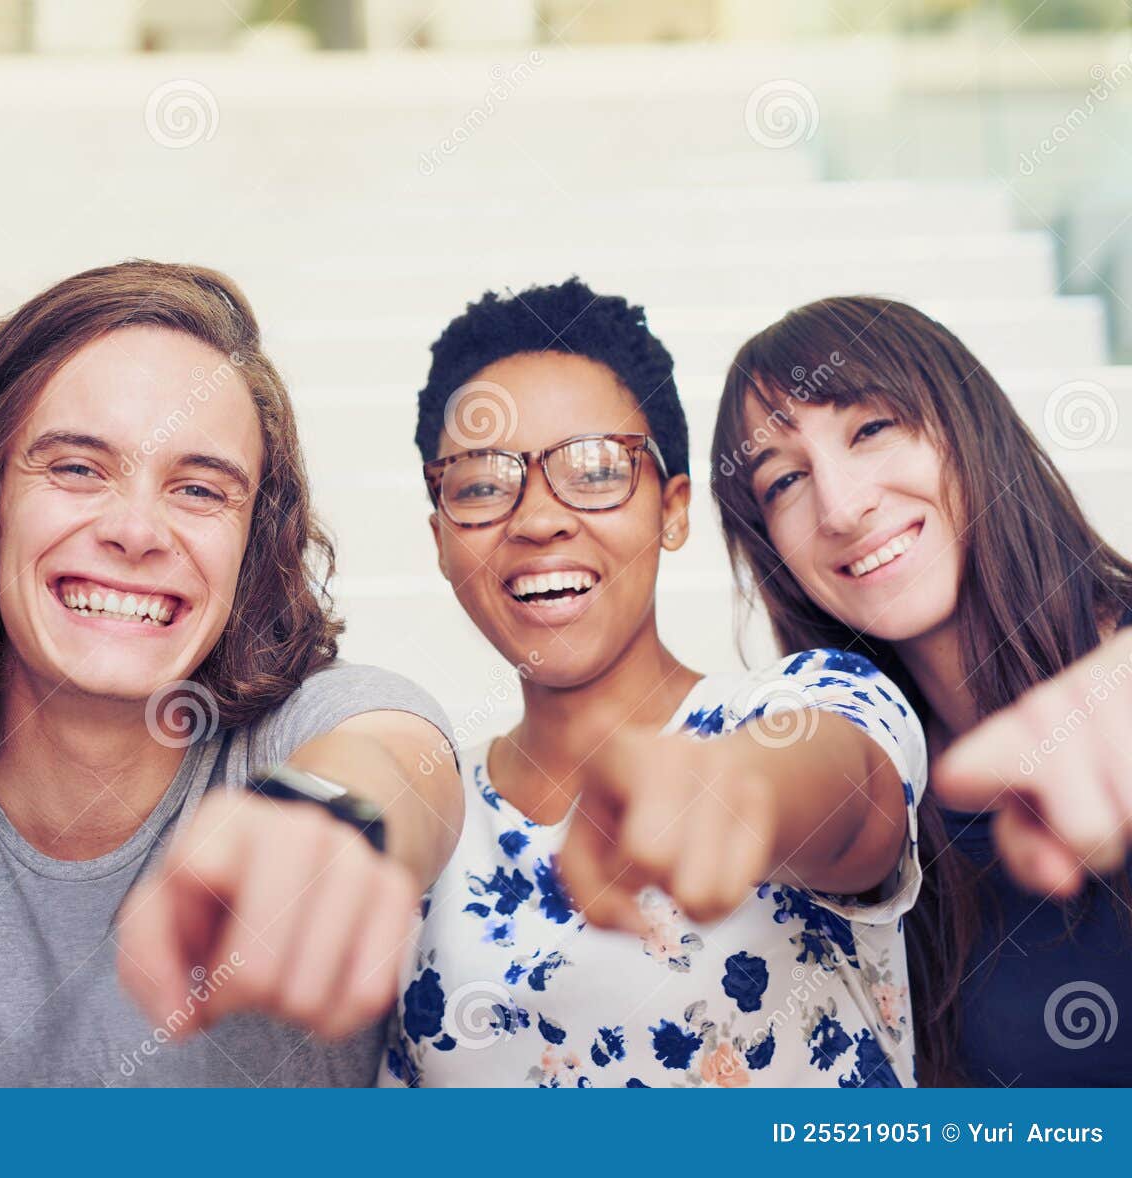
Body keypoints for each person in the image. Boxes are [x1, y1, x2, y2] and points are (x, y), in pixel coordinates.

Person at [0, 260, 462, 1087]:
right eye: (78, 468)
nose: (135, 530)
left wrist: (328, 829)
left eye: (199, 490)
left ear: (253, 546)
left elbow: (397, 764)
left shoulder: (313, 725)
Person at [382, 279, 925, 1088]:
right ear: (439, 539)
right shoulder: (425, 819)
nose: (536, 519)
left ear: (672, 511)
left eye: (597, 469)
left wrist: (735, 784)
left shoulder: (802, 704)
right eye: (484, 485)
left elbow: (844, 793)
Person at [710, 295, 1132, 1086]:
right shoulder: (867, 809)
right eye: (785, 481)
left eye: (870, 429)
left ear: (968, 425)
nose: (841, 506)